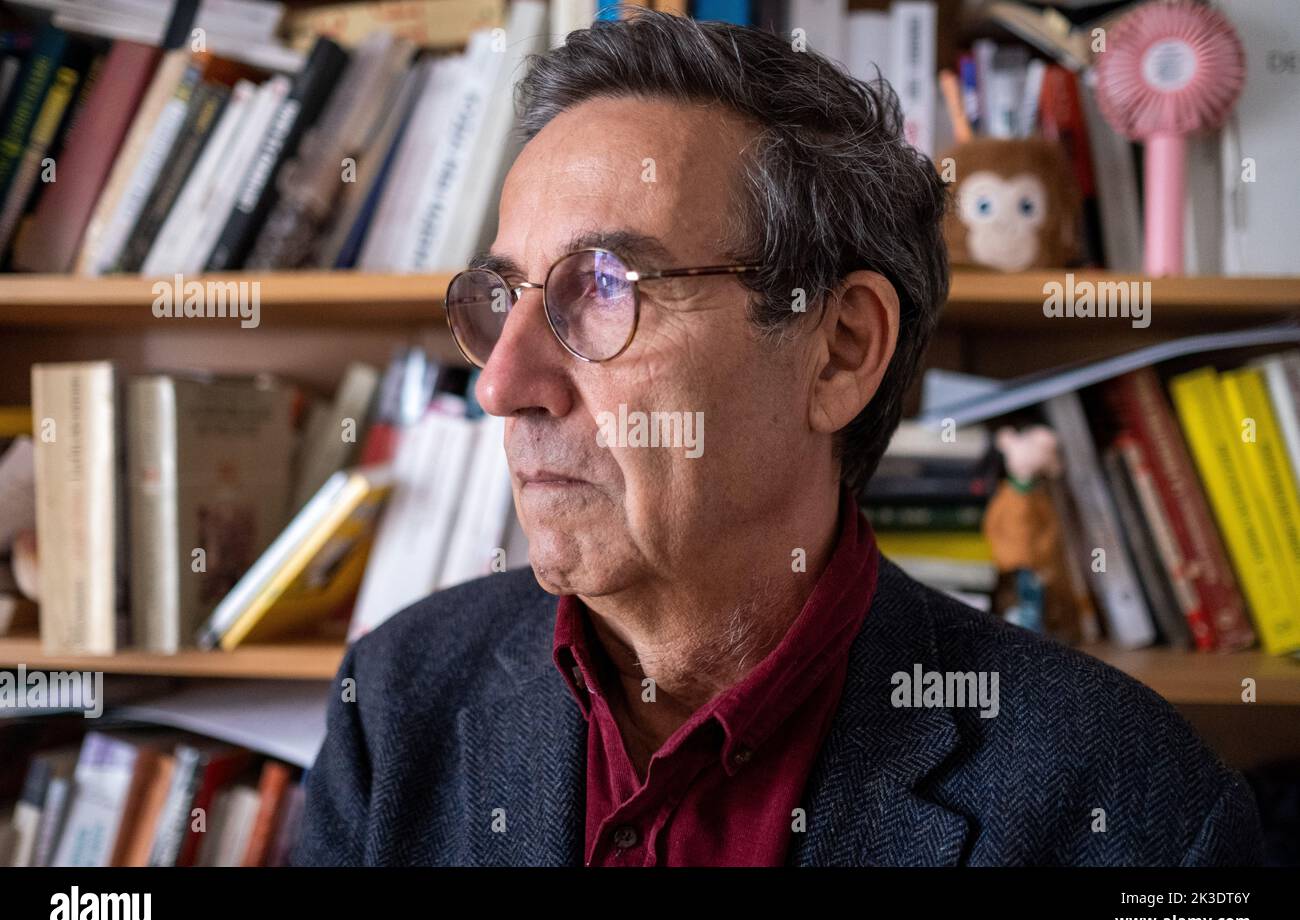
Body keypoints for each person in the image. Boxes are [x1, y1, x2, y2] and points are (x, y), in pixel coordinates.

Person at [295, 11, 1262, 866]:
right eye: (502, 299)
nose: (502, 385)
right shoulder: (395, 700)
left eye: (603, 291)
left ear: (840, 350)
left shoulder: (1129, 800)